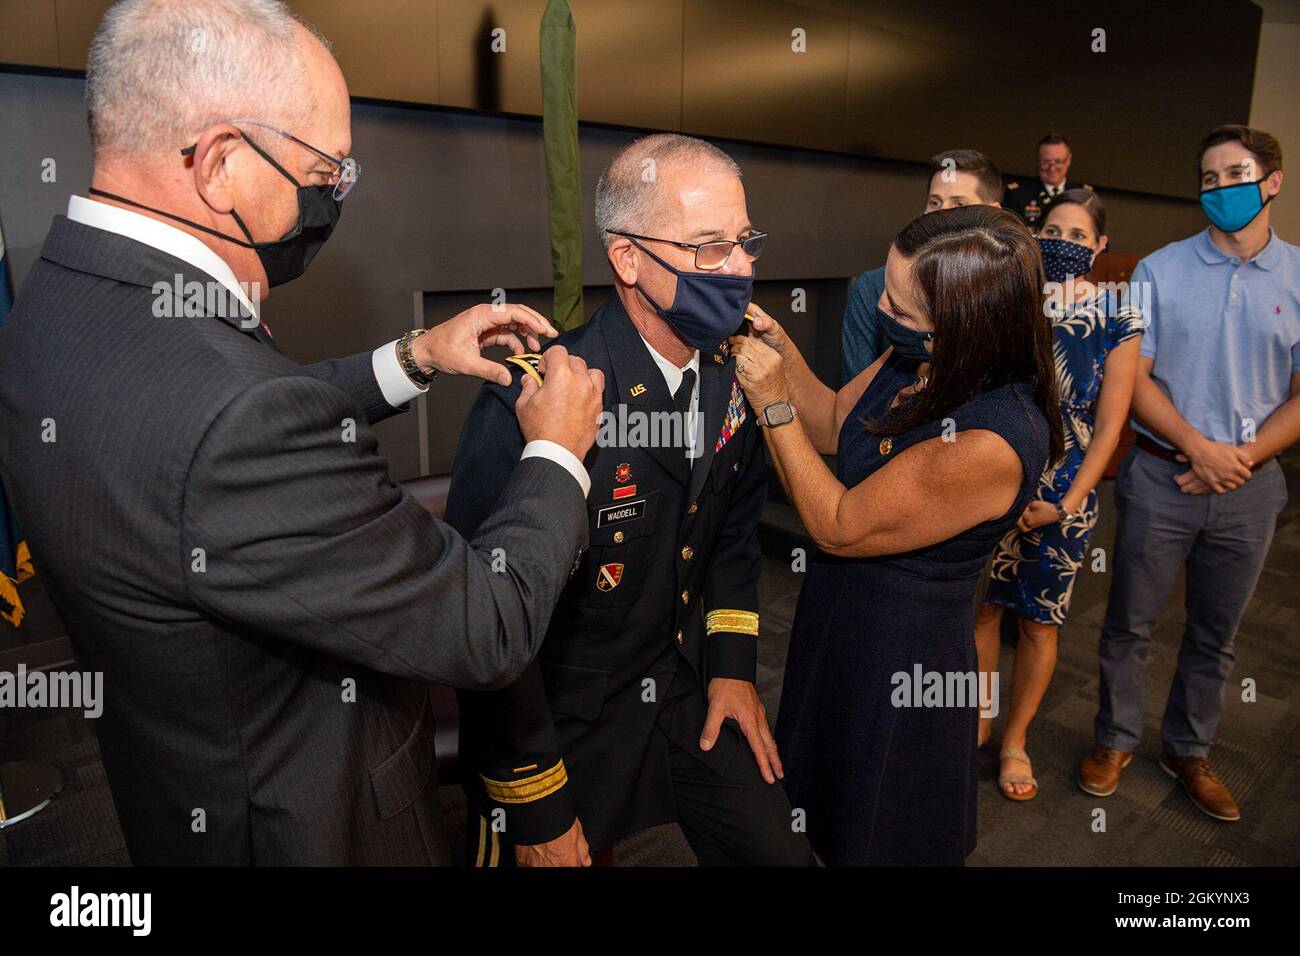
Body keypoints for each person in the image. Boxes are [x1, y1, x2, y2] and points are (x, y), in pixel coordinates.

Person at [0, 0, 605, 865]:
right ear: (219, 163)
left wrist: (413, 358)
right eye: (326, 170)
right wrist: (555, 452)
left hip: (177, 786)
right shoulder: (231, 414)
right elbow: (486, 624)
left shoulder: (59, 300)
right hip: (302, 823)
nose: (336, 195)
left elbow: (212, 435)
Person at [444, 133, 814, 867]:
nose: (739, 267)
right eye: (708, 247)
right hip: (551, 716)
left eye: (744, 241)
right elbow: (478, 624)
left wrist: (734, 666)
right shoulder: (533, 398)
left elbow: (733, 539)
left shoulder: (733, 377)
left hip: (671, 681)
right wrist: (537, 801)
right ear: (628, 259)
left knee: (781, 853)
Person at [731, 205, 1063, 865]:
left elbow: (838, 525)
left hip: (899, 651)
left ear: (961, 327)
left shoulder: (994, 438)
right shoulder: (914, 351)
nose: (880, 306)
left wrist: (769, 403)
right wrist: (777, 346)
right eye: (887, 287)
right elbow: (828, 422)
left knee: (880, 826)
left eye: (901, 306)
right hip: (841, 616)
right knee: (819, 802)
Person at [1079, 125, 1298, 821]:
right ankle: (1114, 738)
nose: (1220, 188)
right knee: (1128, 623)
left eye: (1235, 173)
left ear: (1272, 182)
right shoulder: (1158, 271)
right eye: (1208, 178)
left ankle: (1187, 748)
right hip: (1160, 475)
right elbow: (1132, 378)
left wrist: (1239, 460)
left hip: (1251, 488)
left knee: (1216, 633)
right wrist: (1198, 448)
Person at [977, 189, 1143, 800]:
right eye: (1053, 231)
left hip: (1066, 493)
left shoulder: (1120, 316)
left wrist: (1066, 502)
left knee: (1040, 625)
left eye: (1078, 236)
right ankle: (979, 717)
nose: (1063, 244)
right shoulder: (1013, 304)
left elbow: (1110, 424)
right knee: (984, 608)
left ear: (1098, 246)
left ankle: (1015, 741)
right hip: (996, 474)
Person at [841, 148, 1004, 382]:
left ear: (992, 213)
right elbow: (852, 400)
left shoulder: (1008, 291)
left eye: (959, 204)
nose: (942, 213)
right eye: (935, 201)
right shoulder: (873, 287)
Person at [1003, 133, 1091, 228]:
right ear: (1038, 161)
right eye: (1046, 162)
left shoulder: (1083, 195)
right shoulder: (1018, 194)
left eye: (1058, 162)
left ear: (1068, 160)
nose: (1052, 168)